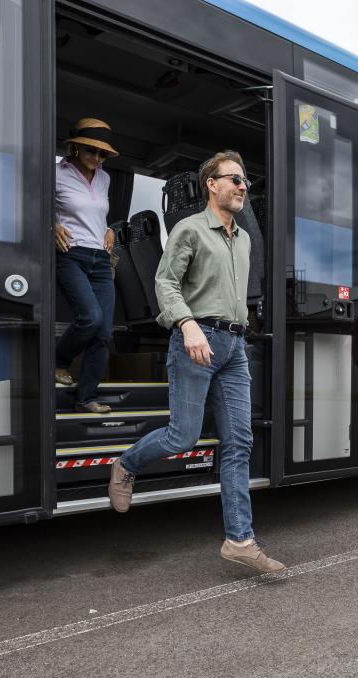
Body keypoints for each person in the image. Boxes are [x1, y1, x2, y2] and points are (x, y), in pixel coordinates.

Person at [108, 151, 285, 574]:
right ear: (212, 184)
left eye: (245, 182)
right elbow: (165, 283)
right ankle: (126, 464)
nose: (243, 187)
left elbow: (235, 295)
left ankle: (240, 541)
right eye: (235, 180)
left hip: (234, 348)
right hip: (195, 341)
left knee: (239, 444)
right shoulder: (189, 229)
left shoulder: (242, 238)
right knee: (182, 437)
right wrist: (187, 325)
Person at [54, 117, 118, 414]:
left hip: (101, 260)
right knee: (90, 318)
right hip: (71, 254)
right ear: (75, 147)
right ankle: (59, 361)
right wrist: (51, 225)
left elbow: (97, 214)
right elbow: (33, 207)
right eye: (92, 150)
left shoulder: (104, 178)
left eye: (102, 153)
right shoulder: (56, 174)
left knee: (103, 332)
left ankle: (87, 398)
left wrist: (109, 230)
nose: (97, 158)